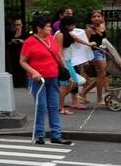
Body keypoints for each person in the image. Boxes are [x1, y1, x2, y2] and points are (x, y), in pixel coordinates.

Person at [20, 14, 73, 145]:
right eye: (48, 26)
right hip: (38, 79)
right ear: (39, 28)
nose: (50, 29)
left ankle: (56, 135)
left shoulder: (51, 39)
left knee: (54, 106)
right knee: (41, 106)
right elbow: (22, 61)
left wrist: (67, 73)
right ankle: (40, 135)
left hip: (53, 77)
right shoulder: (29, 42)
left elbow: (58, 56)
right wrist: (33, 71)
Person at [56, 14, 93, 114]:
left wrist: (88, 44)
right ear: (67, 25)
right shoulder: (60, 35)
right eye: (73, 25)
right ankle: (60, 107)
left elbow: (76, 38)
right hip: (64, 62)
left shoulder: (68, 33)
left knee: (72, 83)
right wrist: (63, 66)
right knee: (66, 84)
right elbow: (58, 52)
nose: (74, 27)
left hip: (68, 61)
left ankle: (58, 103)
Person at [84, 9, 108, 106]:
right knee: (100, 75)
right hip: (95, 53)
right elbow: (86, 44)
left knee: (102, 76)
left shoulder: (102, 26)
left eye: (98, 16)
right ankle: (99, 99)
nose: (97, 18)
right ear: (91, 19)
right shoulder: (89, 30)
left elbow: (103, 36)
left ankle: (83, 93)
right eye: (94, 17)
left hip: (103, 52)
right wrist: (88, 59)